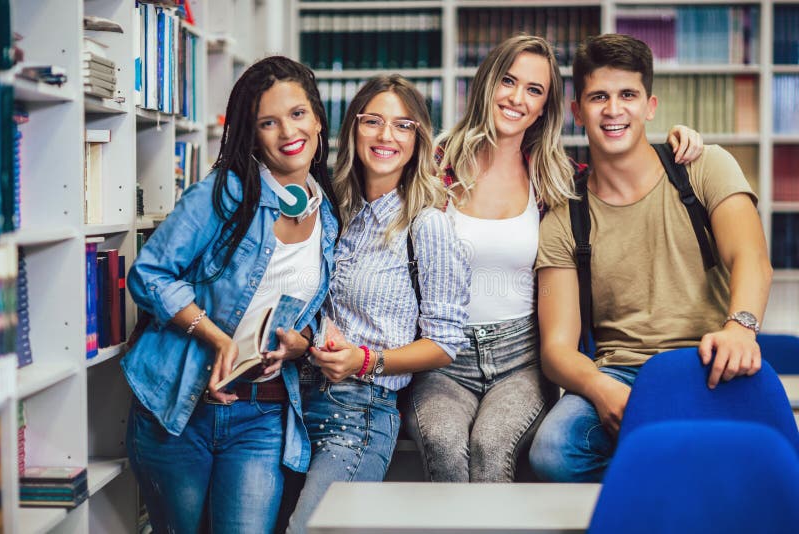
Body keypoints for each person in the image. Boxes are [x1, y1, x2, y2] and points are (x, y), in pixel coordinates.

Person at [404, 33, 705, 483]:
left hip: (519, 355)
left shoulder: (556, 179)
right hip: (443, 354)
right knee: (444, 442)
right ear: (487, 83)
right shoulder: (433, 163)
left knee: (492, 445)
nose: (517, 98)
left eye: (534, 90)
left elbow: (623, 163)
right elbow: (376, 200)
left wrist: (675, 141)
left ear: (547, 107)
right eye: (508, 81)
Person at [529, 33, 772, 482]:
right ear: (577, 112)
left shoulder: (704, 166)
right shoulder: (564, 217)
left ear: (651, 105)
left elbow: (752, 258)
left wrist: (740, 326)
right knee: (553, 451)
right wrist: (600, 388)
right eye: (599, 97)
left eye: (628, 95)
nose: (614, 109)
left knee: (754, 457)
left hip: (707, 360)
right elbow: (557, 350)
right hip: (619, 374)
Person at [122, 56, 340, 533]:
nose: (288, 132)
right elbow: (148, 275)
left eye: (298, 114)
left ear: (319, 119)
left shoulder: (328, 217)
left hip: (262, 413)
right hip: (180, 407)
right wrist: (216, 338)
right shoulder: (221, 195)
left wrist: (301, 342)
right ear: (252, 132)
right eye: (269, 122)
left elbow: (306, 307)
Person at [286, 75, 470, 533]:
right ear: (353, 129)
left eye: (403, 126)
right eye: (373, 121)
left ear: (417, 140)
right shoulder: (332, 209)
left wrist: (364, 361)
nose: (386, 136)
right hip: (293, 401)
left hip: (360, 413)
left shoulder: (427, 224)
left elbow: (446, 343)